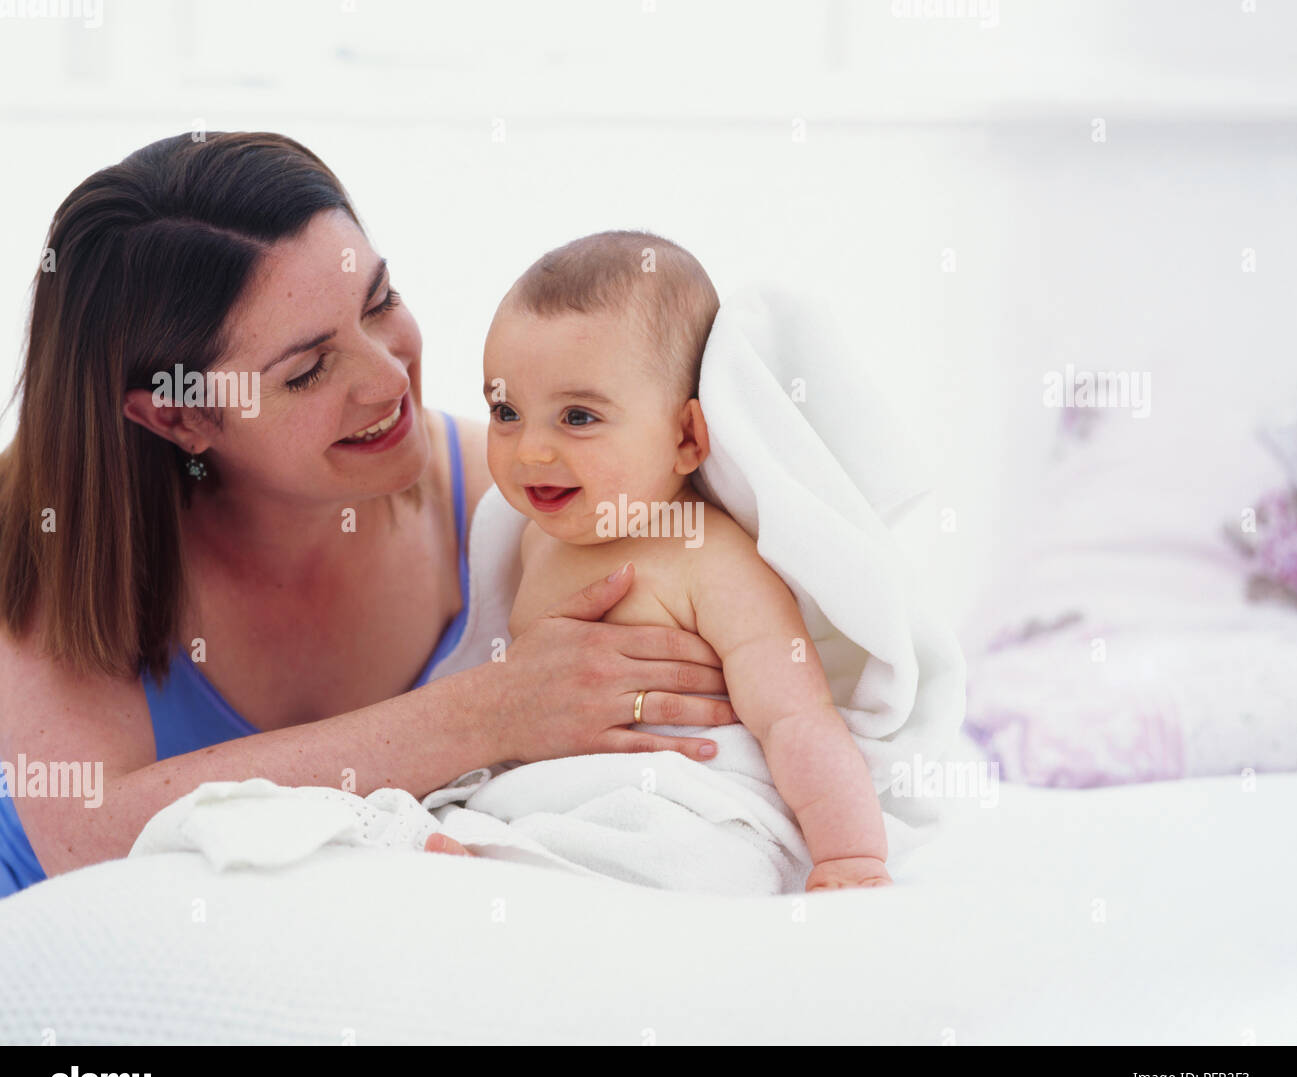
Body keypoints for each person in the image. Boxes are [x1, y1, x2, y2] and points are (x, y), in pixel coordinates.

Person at [0, 132, 736, 899]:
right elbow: (88, 836)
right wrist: (490, 711)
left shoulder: (528, 500)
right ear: (181, 418)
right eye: (309, 369)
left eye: (379, 301)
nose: (391, 378)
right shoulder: (56, 536)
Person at [484, 231, 891, 890]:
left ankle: (537, 869)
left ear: (687, 436)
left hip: (683, 797)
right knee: (461, 808)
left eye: (578, 417)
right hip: (553, 790)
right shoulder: (537, 539)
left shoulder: (711, 560)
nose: (529, 451)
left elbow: (795, 718)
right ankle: (501, 856)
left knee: (702, 857)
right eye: (505, 410)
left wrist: (850, 856)